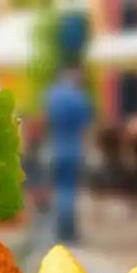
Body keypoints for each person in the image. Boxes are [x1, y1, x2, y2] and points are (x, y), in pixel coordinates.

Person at [45, 67, 93, 243]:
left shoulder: (53, 96)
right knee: (70, 189)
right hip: (74, 148)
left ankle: (59, 228)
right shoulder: (80, 98)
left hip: (56, 147)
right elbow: (85, 127)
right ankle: (69, 229)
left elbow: (47, 122)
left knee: (59, 188)